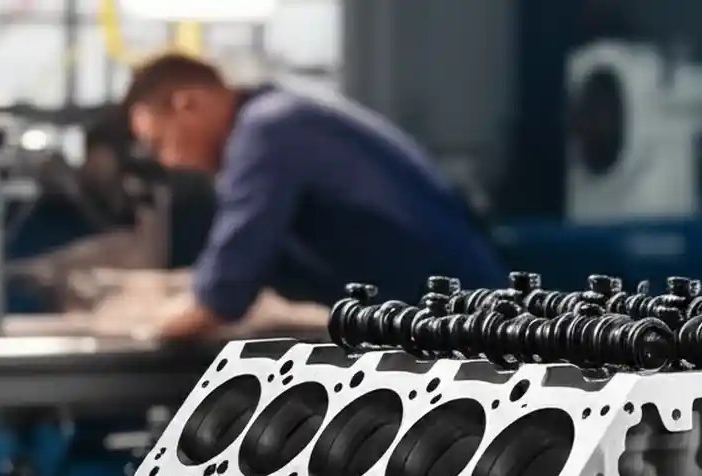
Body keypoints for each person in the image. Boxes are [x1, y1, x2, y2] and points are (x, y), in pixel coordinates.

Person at [121, 53, 508, 340]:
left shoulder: (267, 132)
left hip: (459, 338)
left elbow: (224, 293)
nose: (170, 161)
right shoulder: (283, 115)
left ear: (186, 104)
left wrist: (143, 331)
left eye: (161, 144)